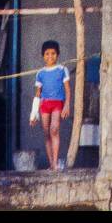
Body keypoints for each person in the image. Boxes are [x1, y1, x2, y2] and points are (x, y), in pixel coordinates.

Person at [31, 40, 72, 170]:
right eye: (47, 54)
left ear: (58, 54)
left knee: (54, 129)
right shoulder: (40, 73)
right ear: (43, 56)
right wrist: (33, 114)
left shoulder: (62, 69)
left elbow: (67, 90)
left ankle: (55, 162)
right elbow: (38, 94)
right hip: (44, 105)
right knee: (46, 133)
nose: (50, 56)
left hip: (57, 104)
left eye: (53, 53)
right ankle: (51, 164)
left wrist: (66, 106)